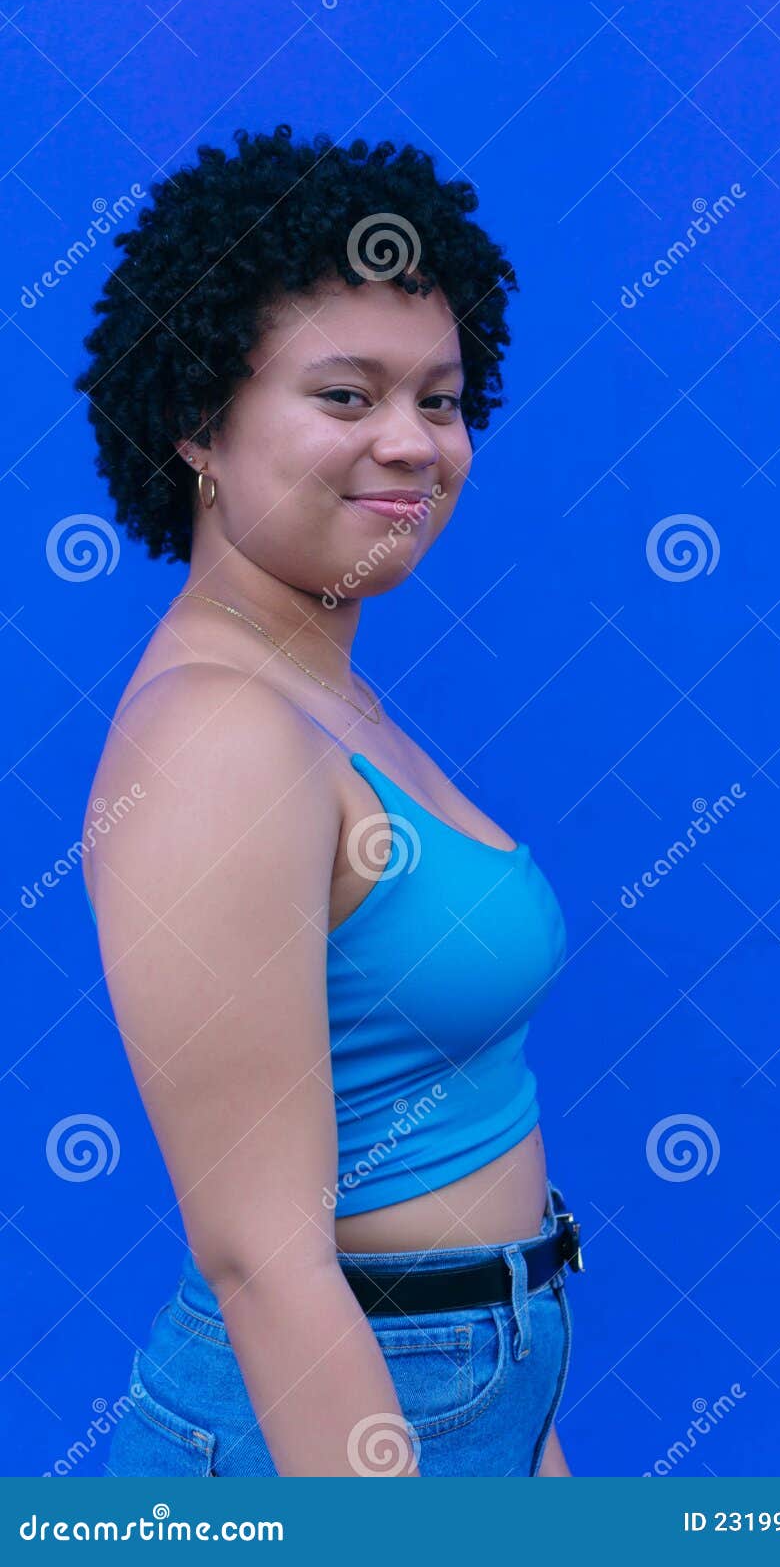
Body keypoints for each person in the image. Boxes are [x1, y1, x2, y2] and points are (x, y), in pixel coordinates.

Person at [75, 125, 583, 1477]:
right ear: (199, 425)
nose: (411, 443)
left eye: (442, 400)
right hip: (327, 1431)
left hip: (468, 1387)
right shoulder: (219, 737)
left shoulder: (321, 692)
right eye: (347, 396)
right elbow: (265, 1262)